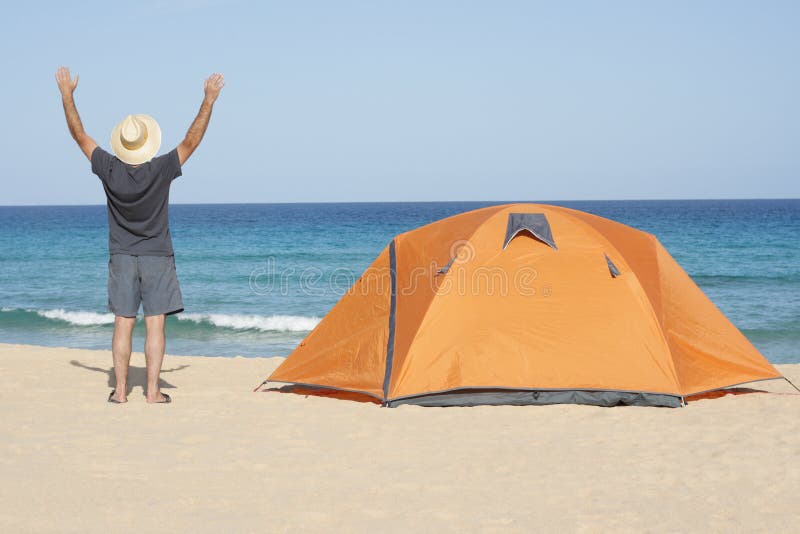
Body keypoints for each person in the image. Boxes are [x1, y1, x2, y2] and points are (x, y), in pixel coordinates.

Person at [55, 66, 225, 404]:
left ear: (123, 145)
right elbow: (192, 140)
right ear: (147, 144)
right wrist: (208, 101)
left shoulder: (108, 167)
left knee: (123, 323)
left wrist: (66, 96)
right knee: (155, 326)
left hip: (121, 254)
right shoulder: (161, 168)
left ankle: (119, 392)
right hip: (157, 254)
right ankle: (152, 392)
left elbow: (79, 134)